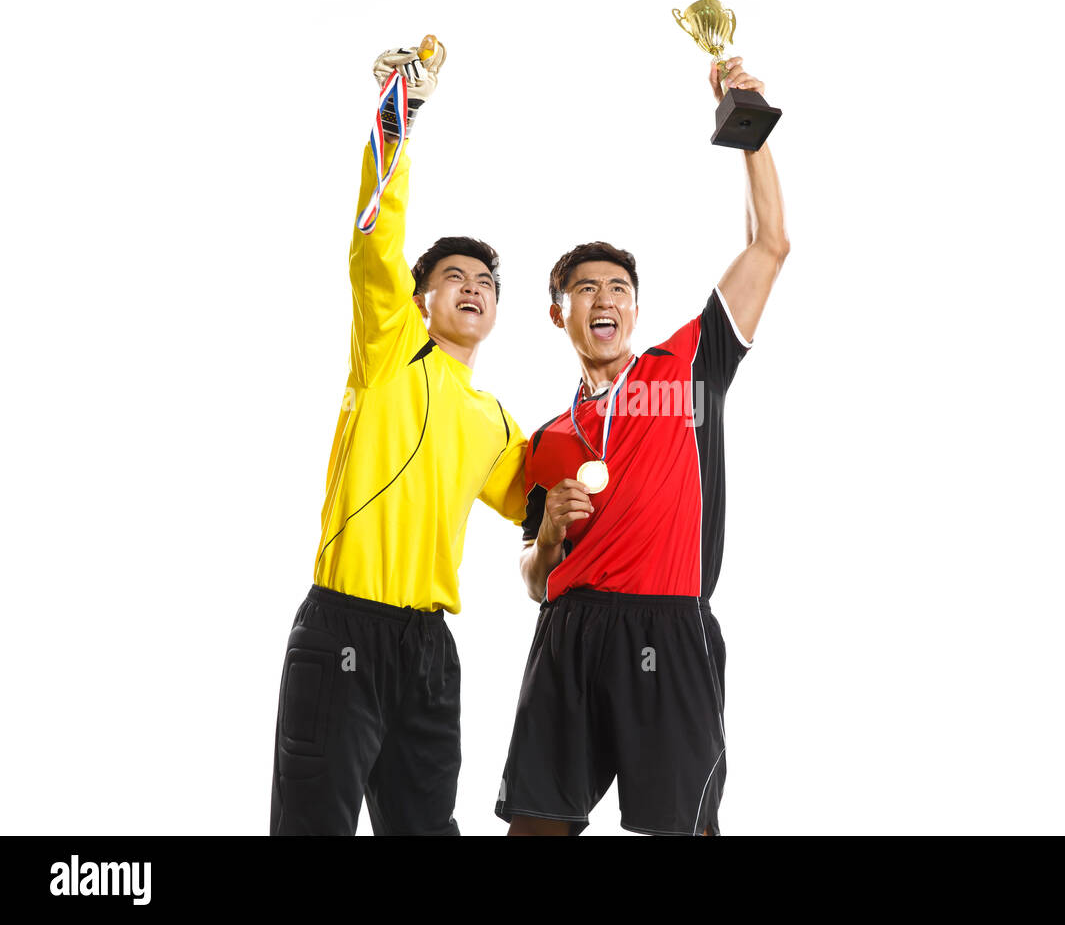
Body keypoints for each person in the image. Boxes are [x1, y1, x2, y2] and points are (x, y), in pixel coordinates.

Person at [495, 59, 788, 835]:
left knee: (675, 830)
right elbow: (533, 580)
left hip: (667, 625)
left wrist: (747, 120)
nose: (604, 299)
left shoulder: (688, 366)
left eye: (618, 289)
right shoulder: (546, 443)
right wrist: (551, 533)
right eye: (586, 289)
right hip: (567, 636)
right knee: (534, 826)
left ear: (634, 310)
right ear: (559, 315)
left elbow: (771, 245)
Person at [270, 46, 528, 835]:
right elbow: (374, 239)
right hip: (344, 626)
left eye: (486, 282)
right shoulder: (388, 348)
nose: (474, 287)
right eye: (456, 276)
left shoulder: (495, 422)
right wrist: (397, 115)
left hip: (428, 652)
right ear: (420, 301)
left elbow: (547, 511)